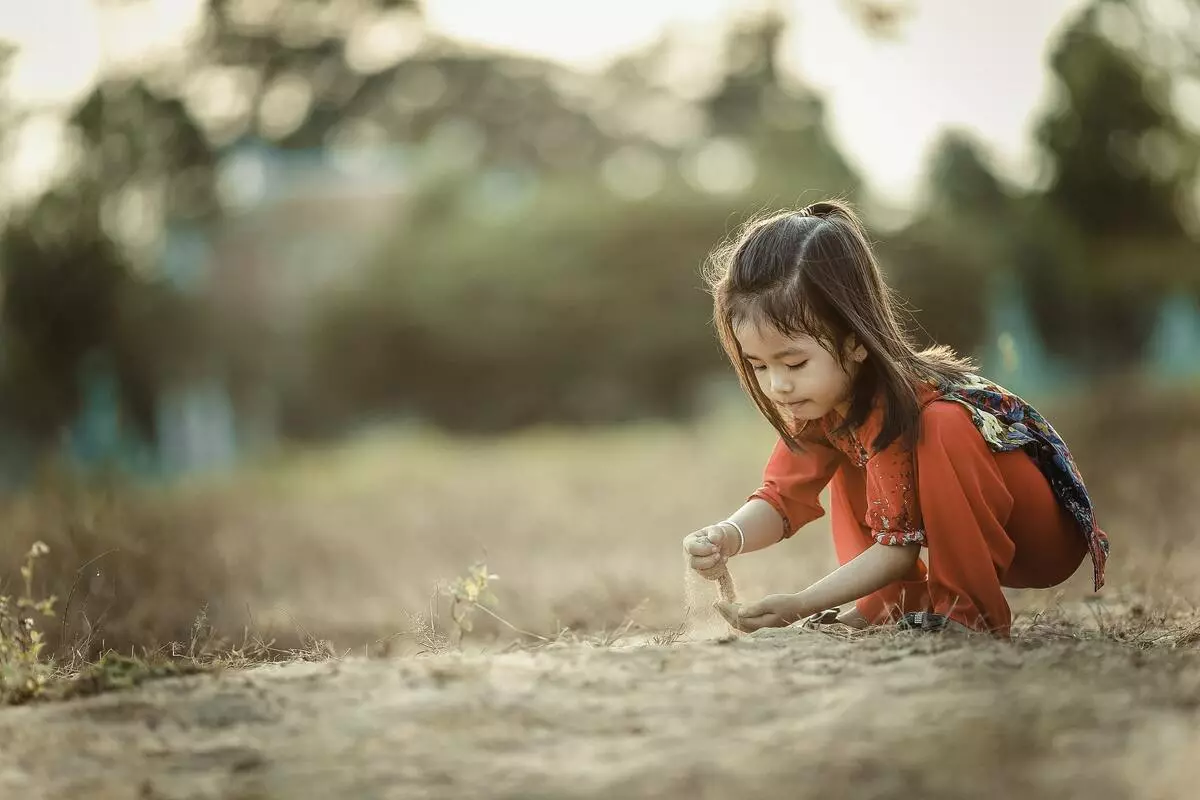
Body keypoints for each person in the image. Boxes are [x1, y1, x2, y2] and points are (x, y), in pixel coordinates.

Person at [682, 199, 1109, 637]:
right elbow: (780, 499)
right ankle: (890, 605)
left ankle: (969, 614)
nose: (778, 386)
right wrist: (727, 536)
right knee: (854, 454)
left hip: (1038, 536)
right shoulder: (820, 407)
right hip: (967, 534)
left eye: (793, 365)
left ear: (855, 342)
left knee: (941, 424)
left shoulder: (902, 404)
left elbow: (896, 553)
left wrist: (799, 604)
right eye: (758, 366)